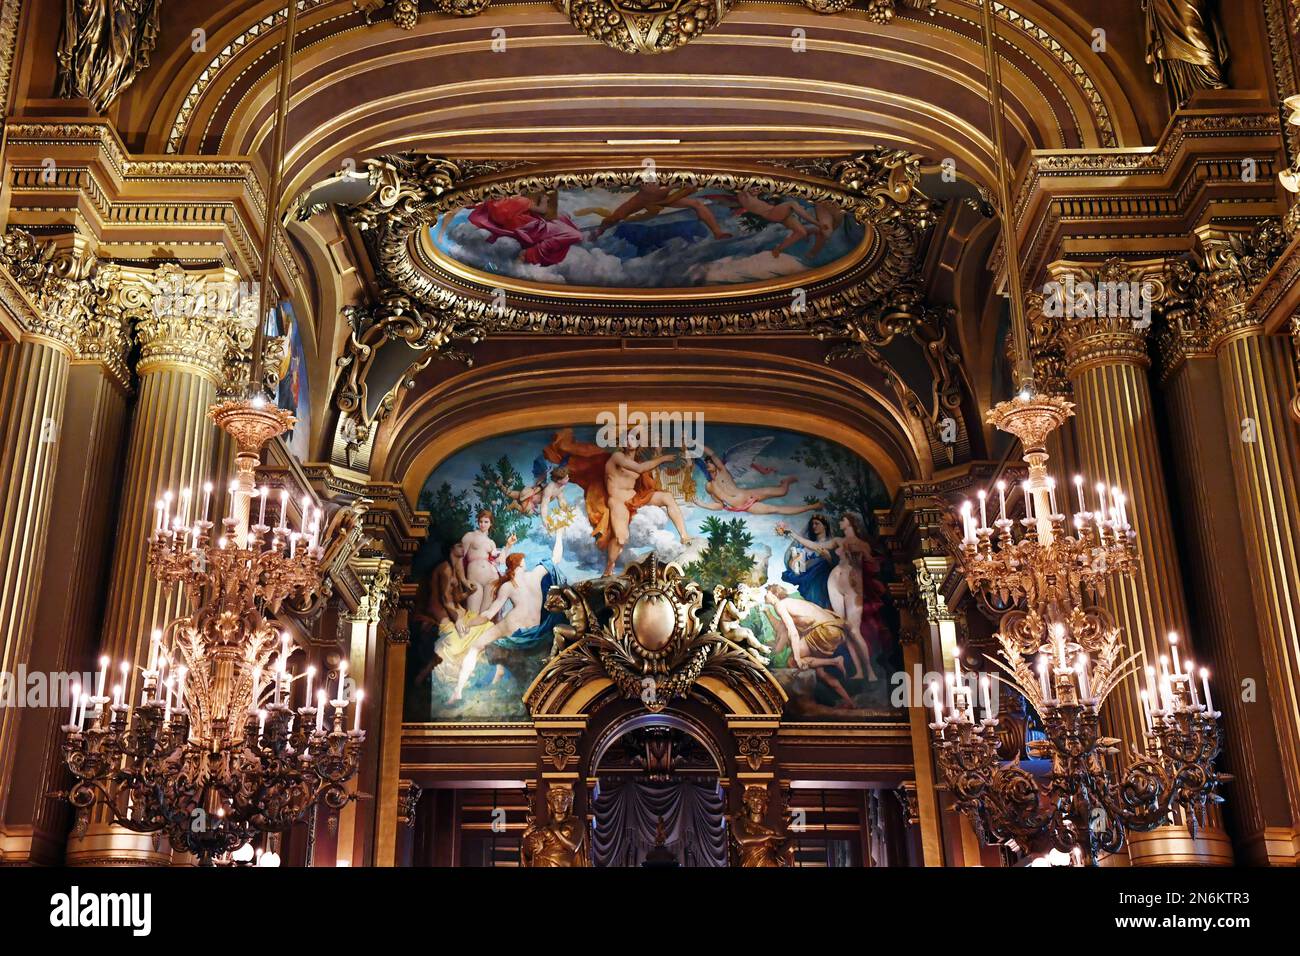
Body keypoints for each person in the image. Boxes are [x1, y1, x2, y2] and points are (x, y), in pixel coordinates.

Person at [776, 512, 885, 681]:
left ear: (850, 523)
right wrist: (792, 533)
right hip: (835, 579)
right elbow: (812, 545)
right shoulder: (837, 541)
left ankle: (869, 671)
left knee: (854, 630)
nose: (840, 522)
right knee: (843, 626)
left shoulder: (862, 544)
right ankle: (859, 671)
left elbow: (872, 563)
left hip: (851, 582)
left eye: (843, 520)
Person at [762, 585, 856, 708]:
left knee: (792, 661)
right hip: (835, 630)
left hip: (824, 630)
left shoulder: (781, 605)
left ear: (774, 594)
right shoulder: (793, 604)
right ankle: (849, 701)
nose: (764, 595)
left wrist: (797, 658)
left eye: (767, 592)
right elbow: (781, 630)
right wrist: (767, 613)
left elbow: (792, 632)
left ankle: (834, 661)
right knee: (820, 673)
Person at [694, 443, 820, 515]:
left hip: (749, 494)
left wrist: (695, 443)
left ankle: (785, 482)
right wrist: (702, 504)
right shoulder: (710, 486)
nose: (708, 464)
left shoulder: (722, 471)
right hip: (743, 505)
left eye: (710, 462)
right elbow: (719, 505)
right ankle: (813, 506)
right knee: (776, 509)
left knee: (783, 491)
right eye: (707, 463)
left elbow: (712, 454)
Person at [467, 191, 583, 266]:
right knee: (575, 234)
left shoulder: (491, 204)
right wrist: (544, 199)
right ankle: (532, 252)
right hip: (535, 229)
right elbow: (543, 210)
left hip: (520, 229)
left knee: (564, 217)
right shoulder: (519, 201)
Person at [458, 510, 516, 615]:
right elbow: (459, 558)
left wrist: (508, 545)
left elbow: (500, 564)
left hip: (491, 580)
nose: (483, 524)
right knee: (472, 614)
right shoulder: (470, 536)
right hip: (475, 578)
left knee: (484, 616)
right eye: (481, 521)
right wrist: (463, 580)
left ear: (491, 524)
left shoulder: (491, 543)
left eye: (486, 522)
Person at [781, 513, 835, 608]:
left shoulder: (832, 543)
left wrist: (827, 558)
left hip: (824, 581)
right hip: (809, 582)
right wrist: (796, 560)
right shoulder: (805, 547)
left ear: (825, 526)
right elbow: (799, 568)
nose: (813, 526)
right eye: (812, 524)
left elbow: (834, 564)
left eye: (817, 523)